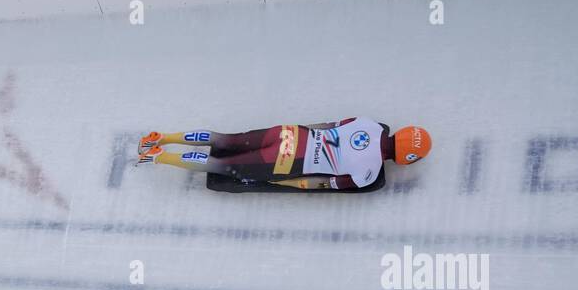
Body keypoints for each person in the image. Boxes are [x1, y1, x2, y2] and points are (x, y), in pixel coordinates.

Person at [137, 119, 431, 192]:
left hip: (291, 134)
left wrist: (299, 133)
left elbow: (327, 125)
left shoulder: (368, 123)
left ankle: (163, 137)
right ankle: (160, 156)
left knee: (228, 139)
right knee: (222, 165)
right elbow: (323, 184)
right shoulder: (368, 173)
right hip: (290, 162)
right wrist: (286, 182)